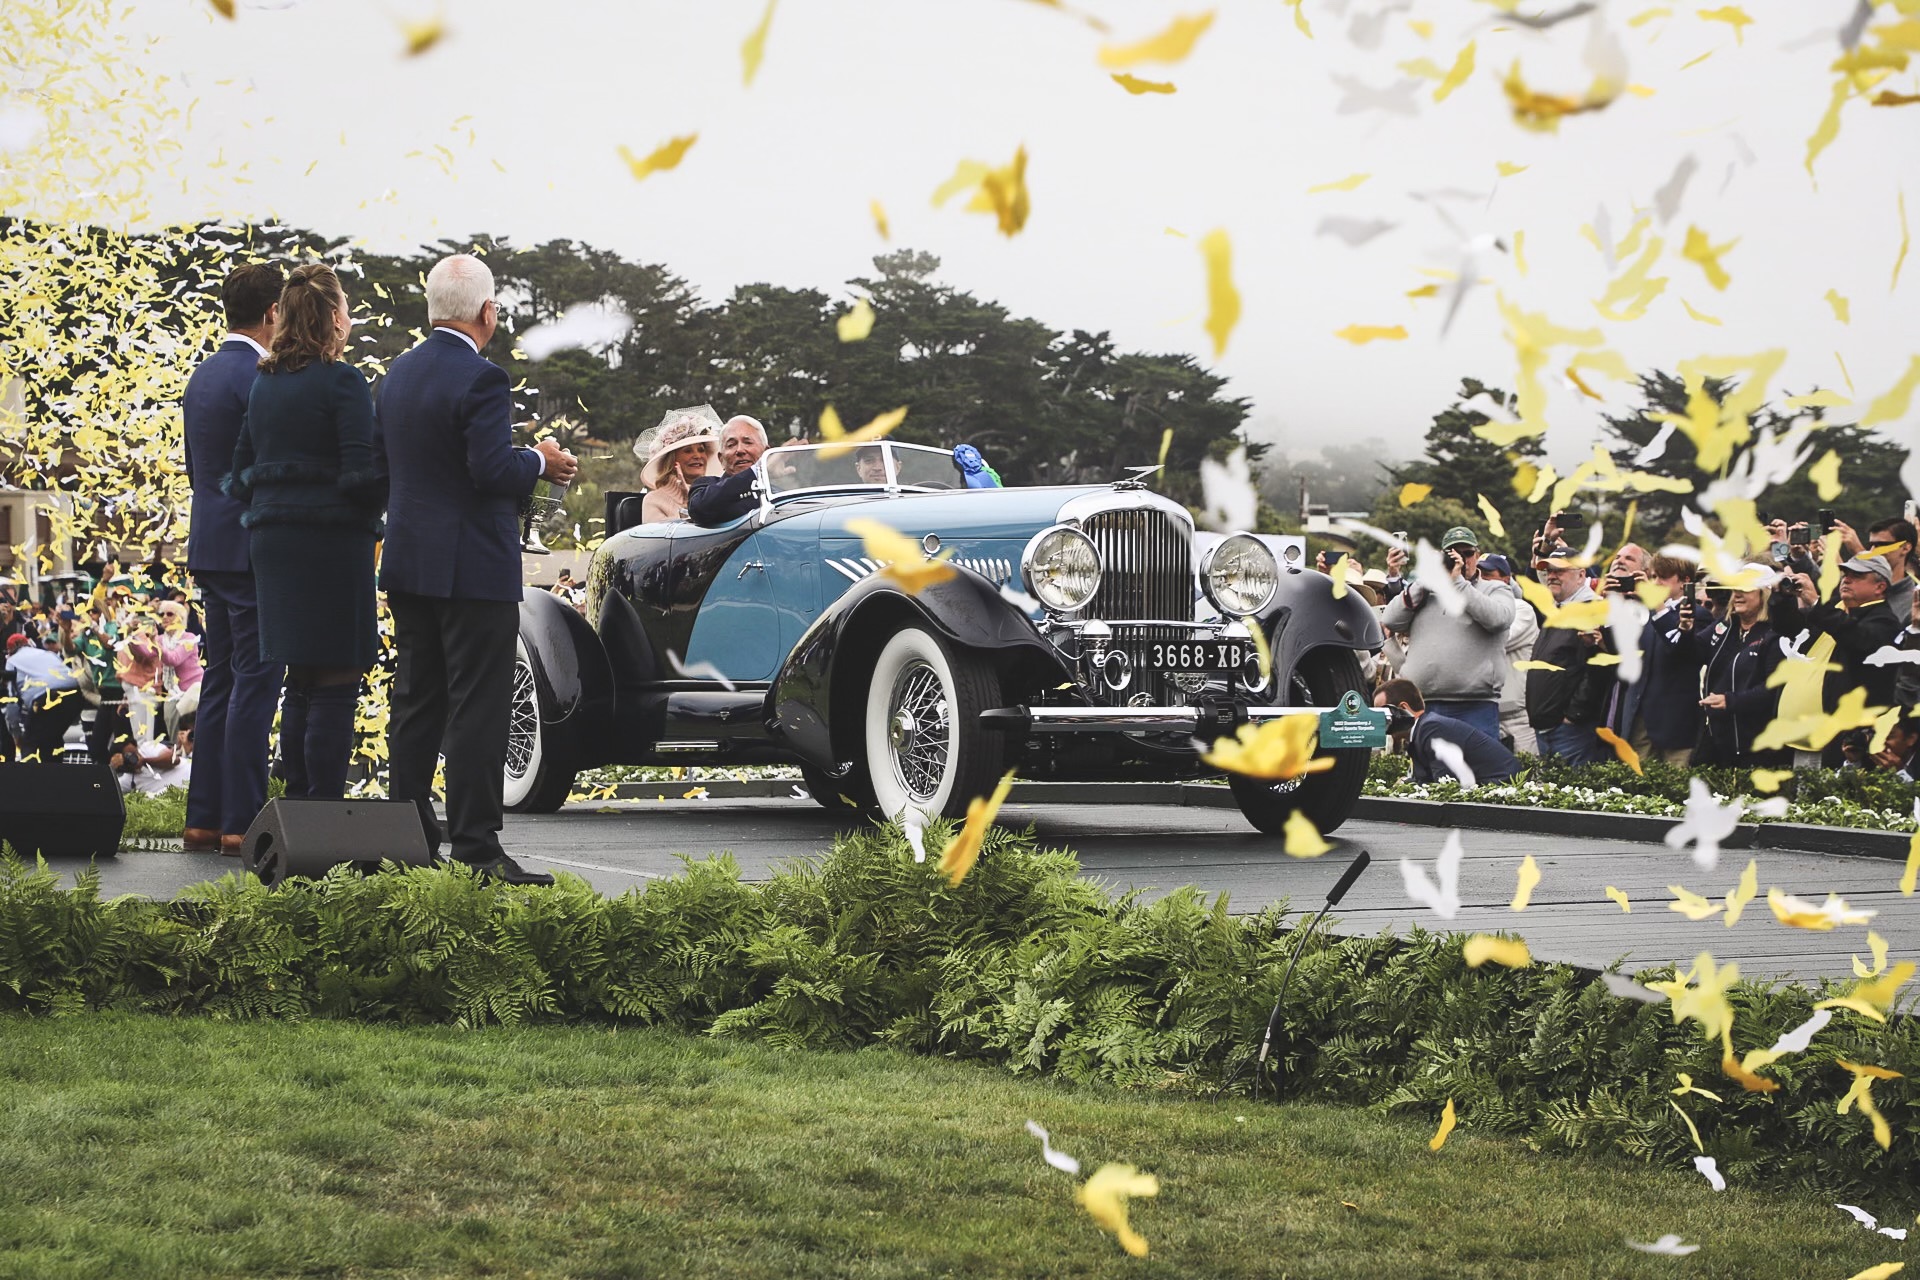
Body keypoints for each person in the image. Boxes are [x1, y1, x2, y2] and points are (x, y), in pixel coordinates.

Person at [374, 252, 577, 885]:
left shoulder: (394, 377)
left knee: (415, 703)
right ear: (488, 313)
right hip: (472, 567)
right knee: (478, 708)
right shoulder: (484, 379)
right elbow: (490, 470)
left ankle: (407, 834)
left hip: (410, 560)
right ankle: (477, 848)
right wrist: (539, 461)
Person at [226, 263, 386, 804]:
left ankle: (295, 810)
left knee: (300, 679)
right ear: (335, 318)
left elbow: (240, 472)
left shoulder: (264, 384)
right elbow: (360, 475)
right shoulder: (342, 380)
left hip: (274, 546)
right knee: (338, 682)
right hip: (332, 546)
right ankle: (324, 814)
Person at [182, 262, 287, 854]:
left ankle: (204, 817)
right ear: (273, 313)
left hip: (211, 541)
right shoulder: (259, 377)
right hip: (252, 546)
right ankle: (241, 820)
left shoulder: (202, 376)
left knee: (221, 680)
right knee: (256, 681)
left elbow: (198, 467)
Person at [1377, 525, 1515, 739]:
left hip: (1475, 705)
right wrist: (1423, 582)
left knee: (1477, 769)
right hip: (1425, 703)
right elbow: (1389, 620)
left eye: (1467, 553)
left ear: (1477, 555)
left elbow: (1499, 619)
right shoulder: (1426, 591)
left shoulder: (1494, 589)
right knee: (1430, 770)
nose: (1462, 560)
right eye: (1454, 554)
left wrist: (1458, 583)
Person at [1769, 550, 1902, 717]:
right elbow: (1788, 627)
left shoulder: (1885, 621)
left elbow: (1857, 639)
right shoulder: (1834, 607)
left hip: (1840, 733)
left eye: (1857, 576)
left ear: (1880, 587)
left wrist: (1816, 603)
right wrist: (1782, 597)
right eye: (1845, 574)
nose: (1846, 579)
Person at [1609, 554, 1704, 766]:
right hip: (1641, 716)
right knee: (1637, 789)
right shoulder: (1649, 613)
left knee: (1675, 789)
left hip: (1676, 721)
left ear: (1685, 582)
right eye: (1652, 577)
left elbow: (1678, 647)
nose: (1655, 583)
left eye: (1663, 577)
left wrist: (1657, 605)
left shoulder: (1698, 614)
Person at [1690, 566, 1787, 767]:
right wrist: (1684, 630)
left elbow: (1772, 689)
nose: (1738, 594)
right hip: (1717, 736)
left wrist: (1730, 701)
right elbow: (1692, 654)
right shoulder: (1725, 626)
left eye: (1746, 589)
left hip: (1756, 744)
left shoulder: (1774, 634)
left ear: (1764, 594)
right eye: (1735, 589)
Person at [1525, 541, 1612, 764]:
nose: (1552, 576)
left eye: (1560, 570)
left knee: (1572, 792)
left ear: (1581, 576)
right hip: (1548, 727)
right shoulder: (1558, 609)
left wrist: (1575, 715)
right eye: (1549, 571)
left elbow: (1598, 667)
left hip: (1570, 732)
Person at [1374, 677, 1521, 786]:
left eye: (1384, 713)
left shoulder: (1430, 729)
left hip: (1501, 786)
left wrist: (1409, 784)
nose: (1381, 721)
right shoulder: (1423, 729)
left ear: (1404, 709)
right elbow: (1428, 779)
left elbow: (1445, 784)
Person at [1477, 554, 1538, 754]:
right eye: (1479, 574)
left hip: (1518, 717)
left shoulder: (1522, 609)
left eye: (1488, 574)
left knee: (1527, 780)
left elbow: (1498, 640)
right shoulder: (1474, 612)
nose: (1482, 580)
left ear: (1505, 578)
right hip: (1485, 713)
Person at [5, 633, 82, 761]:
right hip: (74, 695)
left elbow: (11, 700)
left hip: (47, 697)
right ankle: (55, 777)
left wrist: (16, 734)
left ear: (10, 651)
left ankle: (30, 779)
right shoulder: (47, 654)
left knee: (30, 742)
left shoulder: (12, 661)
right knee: (52, 738)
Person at [688, 414, 768, 526]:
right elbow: (700, 509)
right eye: (731, 445)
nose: (740, 450)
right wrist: (757, 471)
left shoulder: (779, 493)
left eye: (748, 442)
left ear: (766, 452)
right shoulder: (706, 488)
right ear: (721, 459)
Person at [639, 413, 719, 523]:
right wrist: (689, 502)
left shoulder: (715, 494)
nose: (697, 456)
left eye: (701, 450)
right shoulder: (653, 500)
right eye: (688, 451)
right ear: (671, 460)